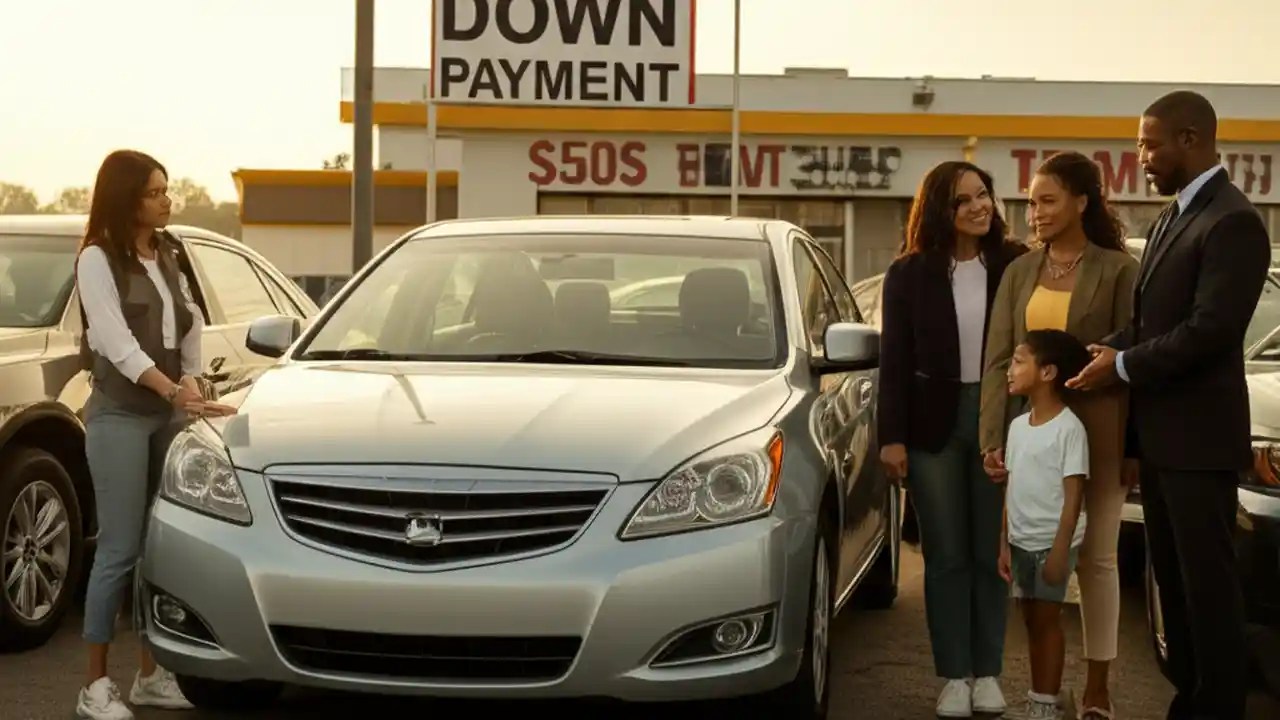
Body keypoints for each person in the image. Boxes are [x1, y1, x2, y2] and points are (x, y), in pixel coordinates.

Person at [1069, 91, 1272, 720]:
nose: (1141, 158)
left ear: (1191, 139)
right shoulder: (1168, 218)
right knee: (1175, 590)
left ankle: (1217, 706)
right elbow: (1153, 321)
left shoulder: (1233, 221)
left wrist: (1124, 365)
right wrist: (1109, 349)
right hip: (1159, 442)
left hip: (1199, 443)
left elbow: (1209, 330)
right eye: (1138, 144)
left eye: (1150, 144)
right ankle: (1190, 698)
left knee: (1209, 591)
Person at [979, 151, 1140, 719]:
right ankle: (1044, 693)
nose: (1036, 212)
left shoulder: (1119, 268)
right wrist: (991, 438)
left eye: (1048, 200)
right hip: (1033, 436)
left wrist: (1134, 448)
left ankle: (1098, 688)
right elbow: (999, 357)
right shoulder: (1019, 271)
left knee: (1096, 561)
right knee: (1030, 559)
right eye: (1031, 202)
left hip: (1100, 431)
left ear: (1081, 202)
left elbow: (1135, 361)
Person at [74, 150, 233, 720]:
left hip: (167, 415)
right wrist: (174, 392)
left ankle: (149, 676)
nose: (168, 200)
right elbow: (116, 342)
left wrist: (191, 386)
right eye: (156, 192)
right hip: (119, 416)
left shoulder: (167, 254)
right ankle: (94, 686)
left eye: (167, 191)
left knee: (156, 551)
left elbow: (190, 324)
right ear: (127, 199)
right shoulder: (96, 259)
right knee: (118, 549)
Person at [877, 160, 1027, 717]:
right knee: (944, 555)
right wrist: (891, 438)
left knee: (992, 553)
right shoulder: (909, 273)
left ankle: (989, 672)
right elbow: (894, 362)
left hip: (1000, 420)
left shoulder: (1015, 262)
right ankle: (954, 677)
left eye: (983, 195)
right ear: (940, 209)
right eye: (963, 200)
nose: (978, 206)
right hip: (931, 428)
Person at [997, 329, 1094, 719]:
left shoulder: (1070, 429)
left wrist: (1059, 550)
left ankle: (1046, 704)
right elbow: (1011, 485)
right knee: (1030, 622)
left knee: (1046, 623)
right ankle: (1040, 699)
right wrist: (1003, 541)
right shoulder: (1019, 426)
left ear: (1048, 372)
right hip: (1021, 541)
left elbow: (1074, 499)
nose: (1009, 369)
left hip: (1051, 544)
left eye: (1019, 361)